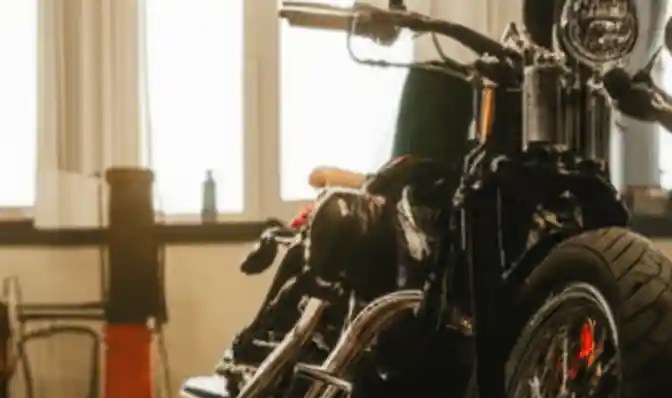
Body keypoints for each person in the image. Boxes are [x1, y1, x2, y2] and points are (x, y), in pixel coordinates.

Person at [230, 0, 557, 364]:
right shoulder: (432, 128)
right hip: (414, 184)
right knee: (342, 221)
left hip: (442, 189)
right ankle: (264, 334)